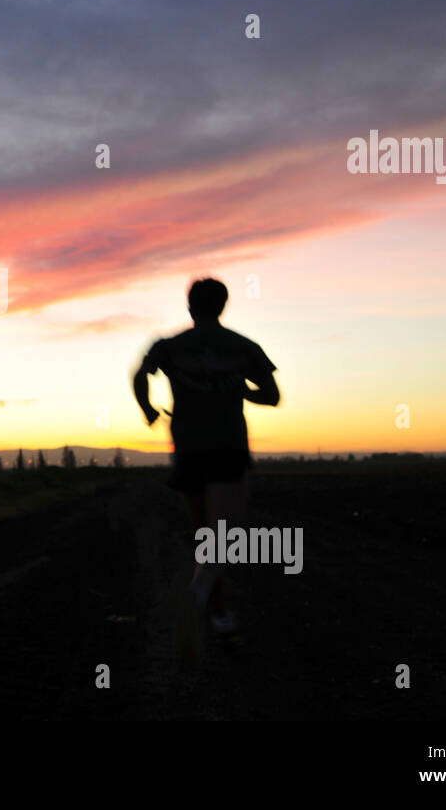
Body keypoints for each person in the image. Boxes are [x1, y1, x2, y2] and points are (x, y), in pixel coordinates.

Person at [133, 278, 279, 655]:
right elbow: (273, 396)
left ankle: (222, 617)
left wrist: (149, 410)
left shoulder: (168, 346)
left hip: (188, 450)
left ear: (189, 306)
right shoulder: (244, 347)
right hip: (228, 447)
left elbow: (139, 375)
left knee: (206, 539)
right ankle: (197, 598)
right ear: (224, 305)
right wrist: (238, 389)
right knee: (225, 540)